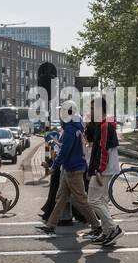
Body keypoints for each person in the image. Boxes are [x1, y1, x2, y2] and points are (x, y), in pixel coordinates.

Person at [37, 108, 100, 236]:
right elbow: (68, 148)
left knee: (81, 200)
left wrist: (54, 166)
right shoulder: (75, 128)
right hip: (70, 168)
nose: (60, 119)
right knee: (61, 198)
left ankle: (97, 226)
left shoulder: (70, 130)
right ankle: (50, 226)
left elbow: (65, 151)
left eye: (61, 116)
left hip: (73, 169)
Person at [83, 99, 124, 246]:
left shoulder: (105, 125)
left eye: (93, 108)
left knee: (93, 200)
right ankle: (107, 232)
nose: (92, 111)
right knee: (102, 200)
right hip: (103, 168)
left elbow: (103, 149)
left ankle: (113, 228)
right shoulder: (105, 124)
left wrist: (98, 170)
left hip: (103, 169)